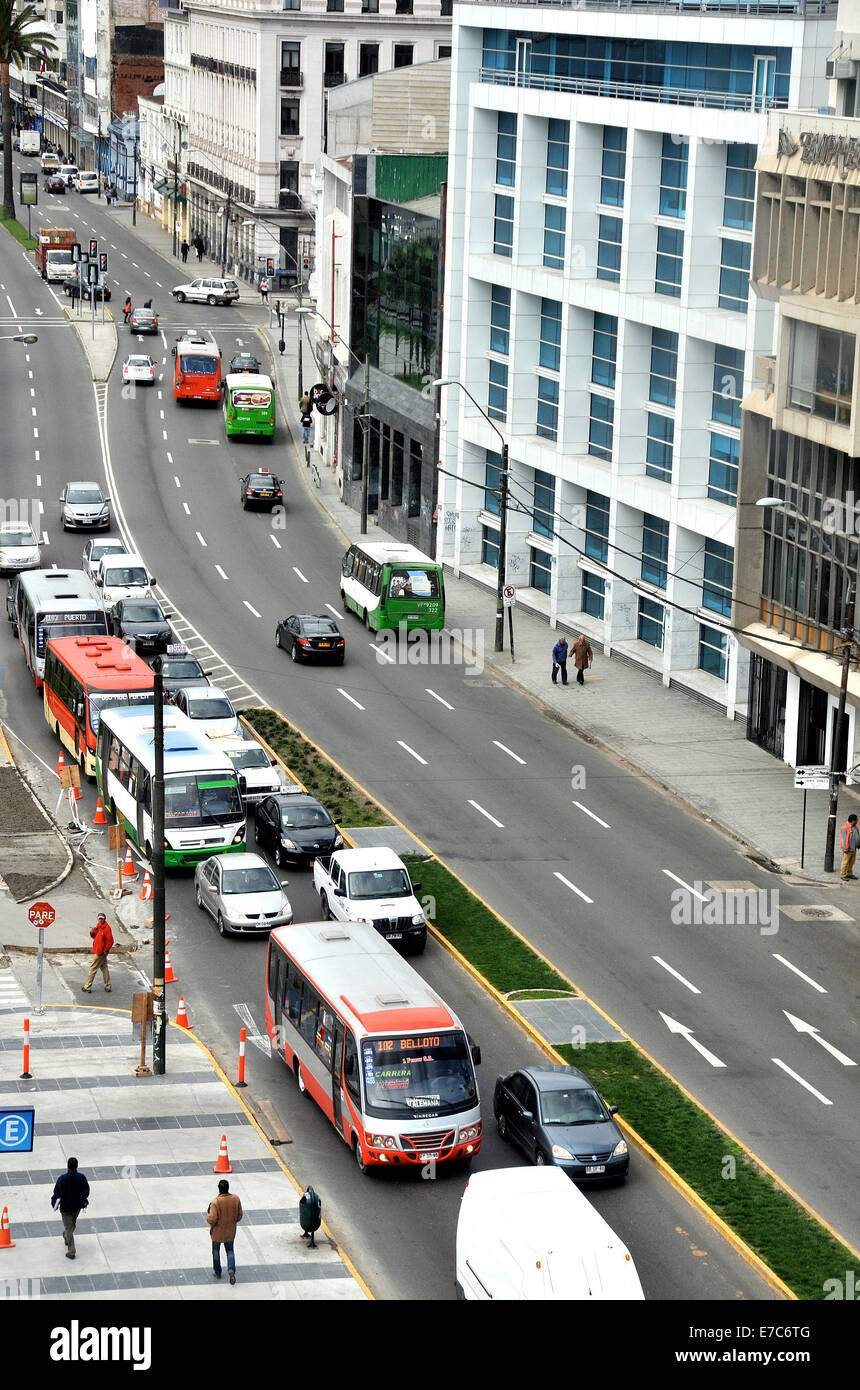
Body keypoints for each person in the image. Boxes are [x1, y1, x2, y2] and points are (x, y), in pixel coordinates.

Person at [51, 1157, 90, 1260]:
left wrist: (54, 1204)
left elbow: (56, 1193)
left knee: (69, 1227)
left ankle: (71, 1250)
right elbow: (86, 1192)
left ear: (67, 1166)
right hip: (77, 1207)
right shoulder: (81, 1177)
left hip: (66, 1208)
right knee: (71, 1226)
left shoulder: (62, 1179)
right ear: (77, 1166)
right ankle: (67, 1238)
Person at [206, 1178, 243, 1284]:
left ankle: (217, 1272)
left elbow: (212, 1219)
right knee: (230, 1251)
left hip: (217, 1232)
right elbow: (239, 1215)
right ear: (228, 1188)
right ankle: (231, 1269)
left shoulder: (216, 1202)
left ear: (219, 1189)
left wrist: (207, 1215)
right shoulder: (235, 1199)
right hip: (230, 1231)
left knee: (216, 1251)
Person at [81, 912, 113, 992]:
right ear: (97, 919)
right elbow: (94, 936)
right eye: (99, 918)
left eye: (102, 918)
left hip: (101, 952)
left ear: (104, 919)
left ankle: (87, 986)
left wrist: (105, 950)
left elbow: (110, 941)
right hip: (99, 950)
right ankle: (108, 986)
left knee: (93, 968)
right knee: (104, 967)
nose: (100, 920)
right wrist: (92, 931)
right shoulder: (99, 926)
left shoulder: (107, 928)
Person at [840, 814, 860, 881]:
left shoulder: (855, 826)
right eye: (856, 820)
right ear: (853, 821)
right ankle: (843, 875)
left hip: (853, 848)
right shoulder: (845, 827)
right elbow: (844, 839)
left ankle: (849, 874)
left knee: (851, 862)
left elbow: (857, 836)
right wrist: (845, 849)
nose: (857, 821)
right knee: (845, 862)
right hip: (847, 849)